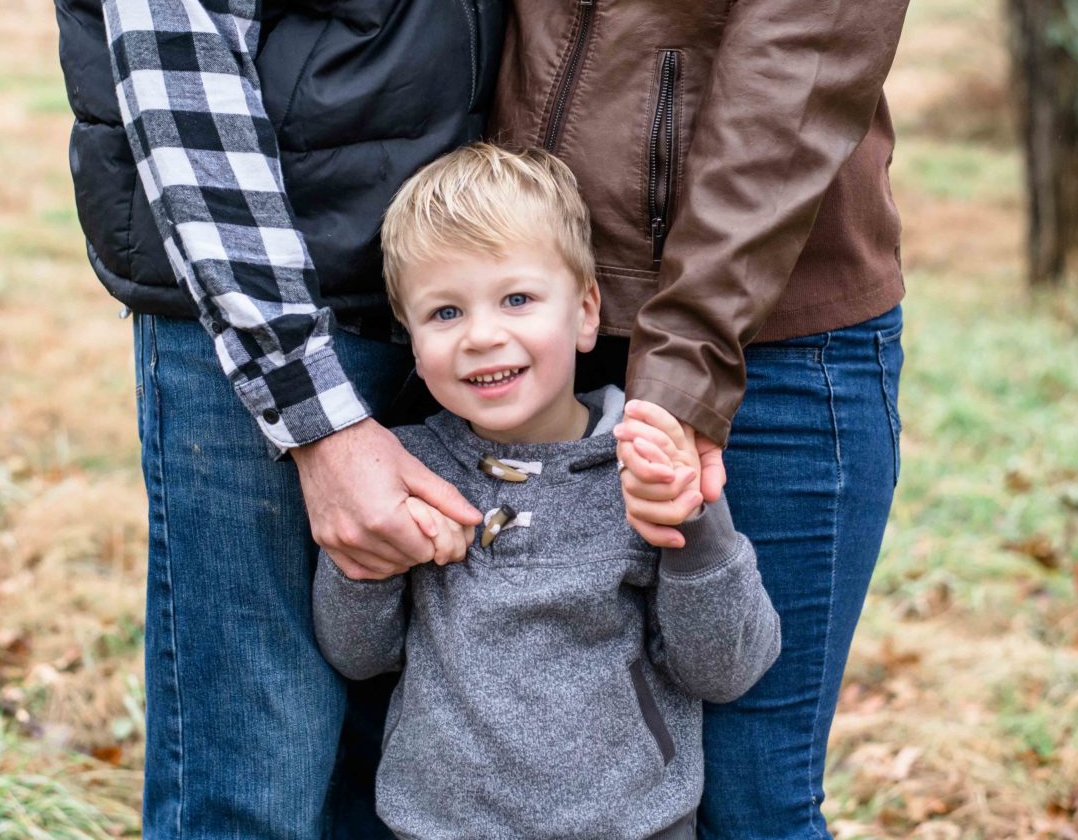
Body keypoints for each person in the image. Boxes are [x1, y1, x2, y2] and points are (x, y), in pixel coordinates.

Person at [489, 0, 964, 837]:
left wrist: (688, 361)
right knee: (553, 794)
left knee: (751, 804)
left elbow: (801, 56)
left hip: (767, 341)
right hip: (553, 332)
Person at [47, 0, 513, 834]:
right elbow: (180, 55)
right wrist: (315, 417)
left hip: (452, 292)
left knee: (405, 788)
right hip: (267, 310)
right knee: (257, 789)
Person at [312, 143, 781, 840]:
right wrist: (373, 562)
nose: (481, 335)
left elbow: (726, 669)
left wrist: (693, 524)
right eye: (444, 313)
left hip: (633, 826)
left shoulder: (648, 464)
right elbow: (359, 655)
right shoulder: (411, 467)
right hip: (440, 827)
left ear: (586, 311)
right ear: (409, 338)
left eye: (517, 299)